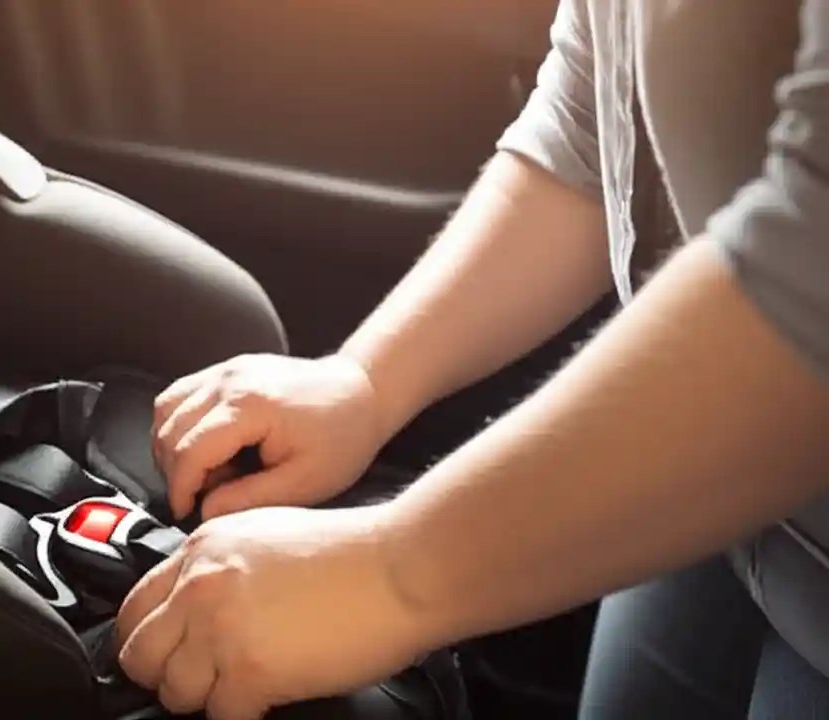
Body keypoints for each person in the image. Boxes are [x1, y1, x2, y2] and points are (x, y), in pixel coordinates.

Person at [114, 1, 829, 718]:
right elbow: (594, 114)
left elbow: (811, 268)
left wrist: (382, 578)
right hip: (693, 495)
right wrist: (364, 381)